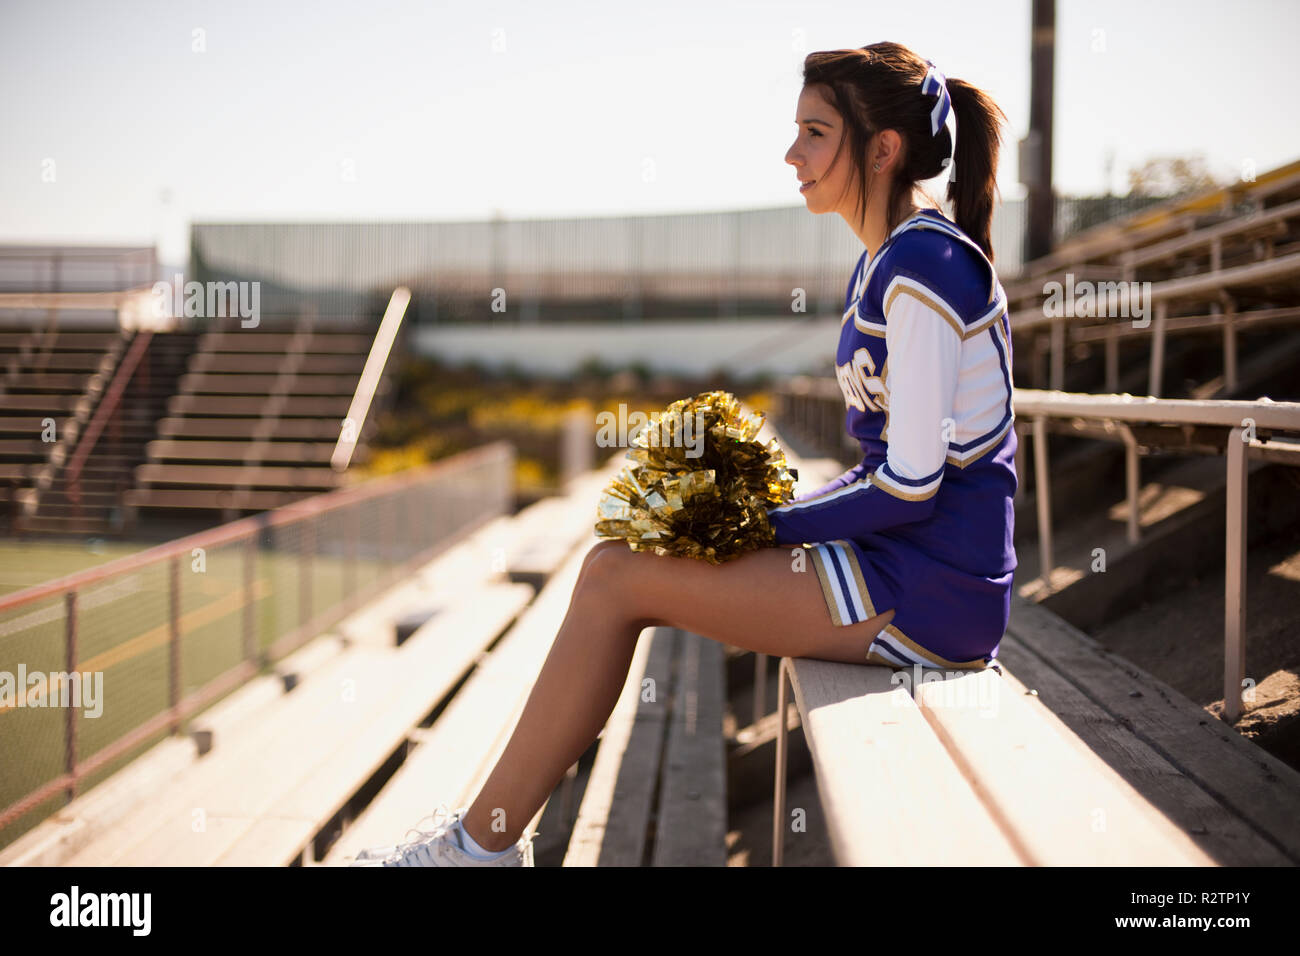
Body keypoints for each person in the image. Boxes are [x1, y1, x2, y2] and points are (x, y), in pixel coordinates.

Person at [352, 40, 1017, 867]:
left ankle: (476, 850)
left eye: (815, 132)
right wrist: (751, 518)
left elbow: (912, 485)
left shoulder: (923, 263)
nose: (792, 153)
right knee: (614, 569)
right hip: (905, 569)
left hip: (932, 593)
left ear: (882, 150)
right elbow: (886, 464)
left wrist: (761, 525)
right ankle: (480, 844)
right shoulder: (888, 260)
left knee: (614, 578)